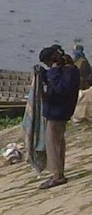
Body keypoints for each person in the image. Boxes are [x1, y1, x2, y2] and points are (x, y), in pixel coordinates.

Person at [38, 45, 82, 189]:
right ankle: (57, 172)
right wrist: (43, 73)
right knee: (55, 143)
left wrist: (54, 71)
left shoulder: (71, 71)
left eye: (48, 63)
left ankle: (57, 176)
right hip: (54, 111)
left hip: (60, 112)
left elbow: (61, 88)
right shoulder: (60, 71)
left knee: (54, 144)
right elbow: (51, 80)